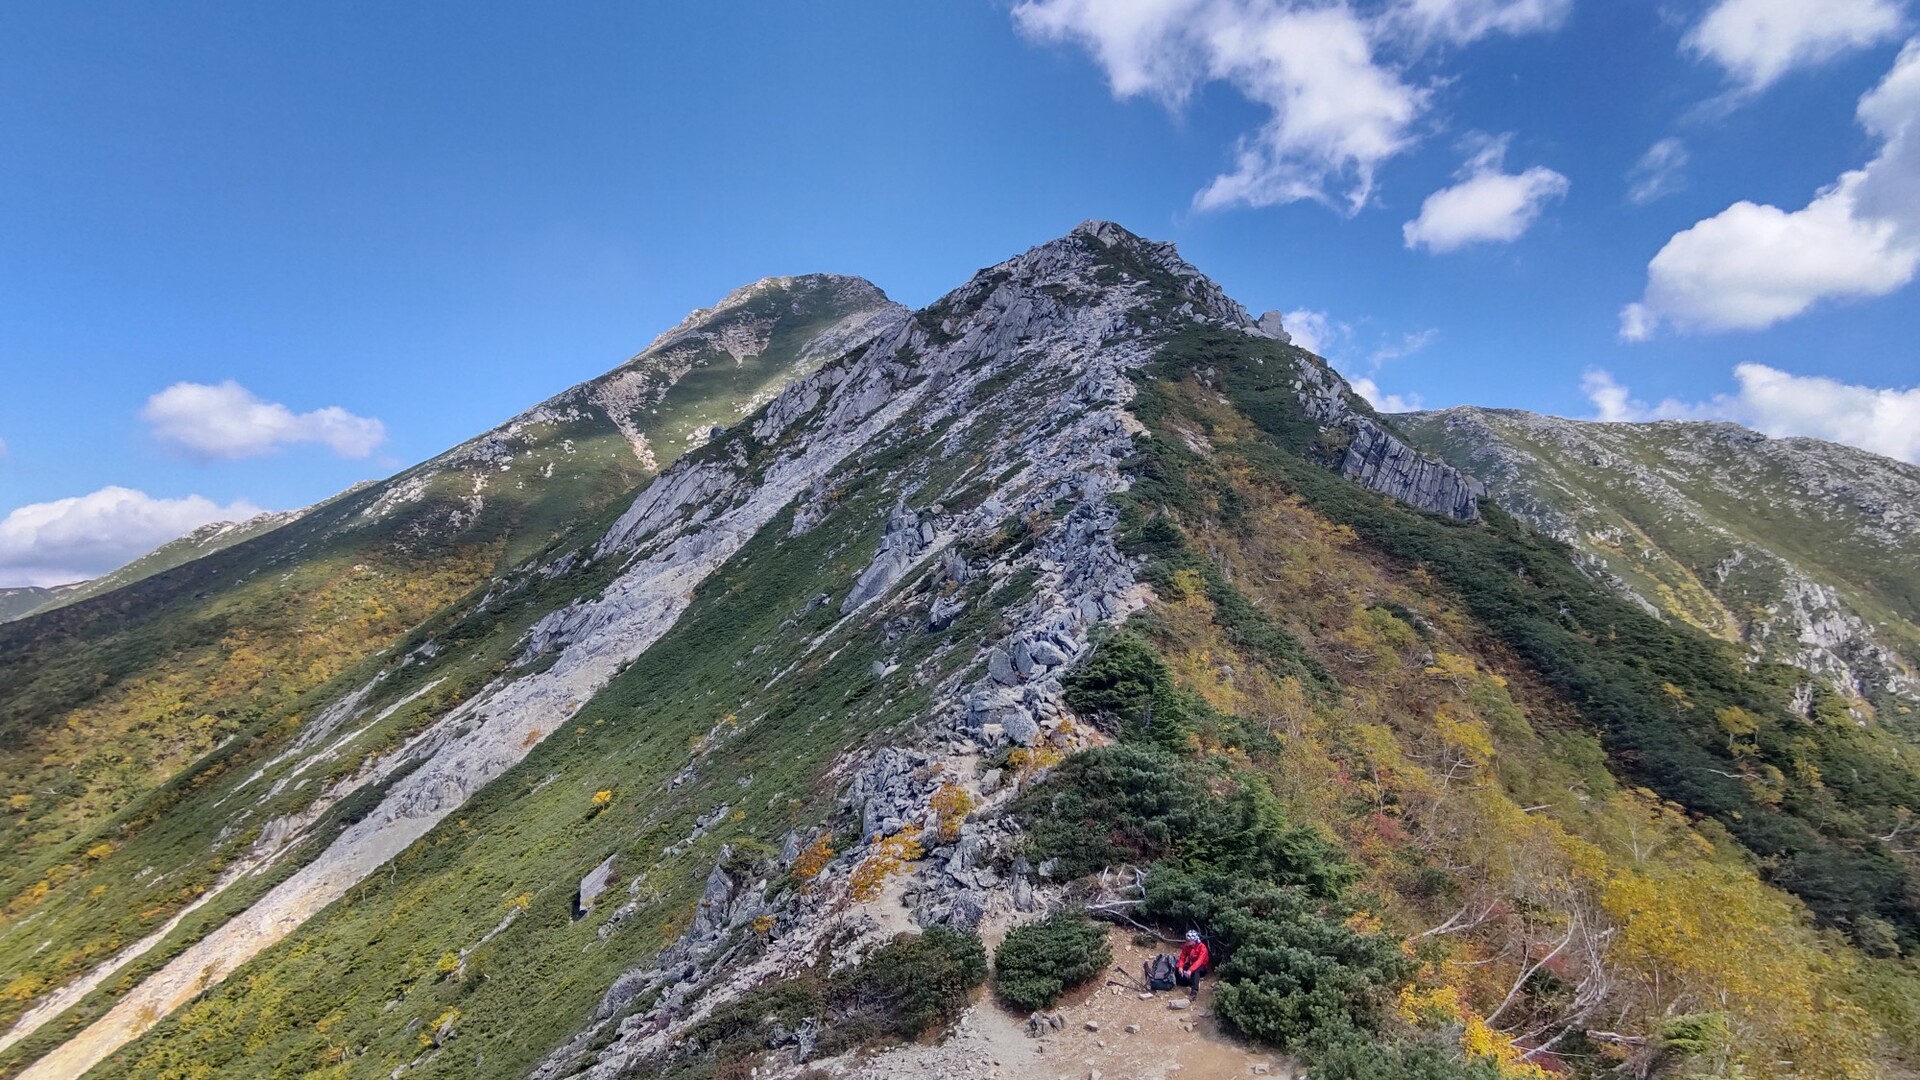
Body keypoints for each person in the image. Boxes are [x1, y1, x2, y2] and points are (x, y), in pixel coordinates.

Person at [1175, 930, 1209, 997]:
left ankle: (1194, 992)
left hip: (1202, 966)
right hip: (1191, 964)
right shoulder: (1186, 946)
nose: (1186, 942)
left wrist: (1190, 970)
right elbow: (1182, 957)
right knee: (1177, 969)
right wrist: (1180, 967)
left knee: (1196, 972)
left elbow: (1199, 961)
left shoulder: (1202, 948)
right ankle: (1190, 981)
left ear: (1193, 940)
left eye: (1188, 940)